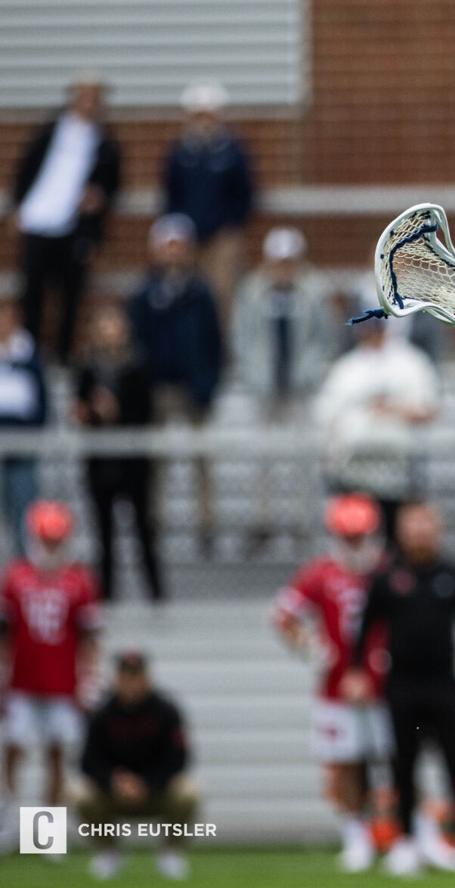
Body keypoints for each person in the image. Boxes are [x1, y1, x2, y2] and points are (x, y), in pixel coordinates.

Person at [345, 501, 455, 877]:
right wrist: (357, 671)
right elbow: (365, 629)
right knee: (403, 764)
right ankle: (405, 841)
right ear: (400, 532)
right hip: (402, 686)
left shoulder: (454, 575)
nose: (420, 532)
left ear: (437, 530)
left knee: (453, 761)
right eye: (413, 525)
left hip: (444, 684)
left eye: (426, 525)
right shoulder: (387, 578)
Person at [272, 494, 390, 873]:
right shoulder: (319, 573)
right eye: (347, 537)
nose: (354, 545)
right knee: (344, 763)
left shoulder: (388, 571)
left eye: (360, 536)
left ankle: (398, 831)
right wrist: (312, 649)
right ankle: (356, 835)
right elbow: (283, 615)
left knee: (394, 760)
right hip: (337, 689)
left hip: (387, 687)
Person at [0, 502, 100, 843]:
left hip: (62, 684)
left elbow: (89, 637)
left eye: (56, 540)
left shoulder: (80, 581)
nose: (51, 547)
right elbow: (4, 633)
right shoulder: (15, 577)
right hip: (22, 682)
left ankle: (44, 836)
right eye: (47, 539)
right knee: (13, 751)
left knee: (56, 755)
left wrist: (89, 678)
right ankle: (7, 823)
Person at [233, 226, 336, 551]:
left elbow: (325, 336)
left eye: (289, 261)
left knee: (303, 458)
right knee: (263, 459)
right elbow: (242, 337)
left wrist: (311, 371)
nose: (283, 268)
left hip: (299, 388)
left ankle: (302, 521)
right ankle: (263, 520)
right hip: (265, 388)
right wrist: (253, 374)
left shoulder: (314, 292)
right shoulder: (253, 292)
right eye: (278, 262)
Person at [127, 214, 223, 556]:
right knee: (156, 461)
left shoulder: (200, 292)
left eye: (178, 246)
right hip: (160, 387)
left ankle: (206, 524)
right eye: (167, 246)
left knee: (202, 459)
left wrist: (208, 382)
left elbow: (214, 341)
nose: (173, 252)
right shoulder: (145, 294)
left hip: (194, 386)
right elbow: (136, 341)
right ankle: (153, 521)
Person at [9, 73, 121, 364]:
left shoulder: (105, 143)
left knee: (70, 294)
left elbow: (111, 188)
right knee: (32, 292)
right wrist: (18, 206)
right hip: (38, 222)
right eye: (84, 96)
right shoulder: (50, 131)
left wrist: (98, 201)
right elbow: (25, 169)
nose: (88, 103)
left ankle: (62, 355)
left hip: (74, 228)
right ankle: (30, 354)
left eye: (93, 97)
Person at [313, 305, 437, 537]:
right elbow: (326, 414)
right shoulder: (347, 367)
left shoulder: (410, 362)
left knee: (393, 532)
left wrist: (391, 410)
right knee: (357, 529)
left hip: (398, 469)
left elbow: (428, 410)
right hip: (354, 470)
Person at [77, 650, 197, 881]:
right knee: (79, 793)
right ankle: (106, 852)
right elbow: (88, 761)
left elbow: (178, 759)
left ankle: (171, 853)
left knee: (188, 793)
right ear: (117, 678)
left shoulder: (166, 710)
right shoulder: (101, 712)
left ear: (147, 678)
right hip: (114, 791)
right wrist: (114, 781)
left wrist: (147, 783)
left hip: (155, 790)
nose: (132, 682)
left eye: (137, 675)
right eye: (126, 676)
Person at [74, 305, 163, 603]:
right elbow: (81, 409)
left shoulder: (138, 366)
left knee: (144, 532)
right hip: (100, 463)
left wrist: (117, 411)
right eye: (104, 325)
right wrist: (89, 413)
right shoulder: (88, 369)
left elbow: (146, 413)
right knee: (104, 536)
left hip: (133, 464)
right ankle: (107, 596)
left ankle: (156, 595)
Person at [163, 81, 255, 319]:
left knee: (222, 294)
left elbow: (245, 192)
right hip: (188, 238)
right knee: (187, 293)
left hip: (223, 237)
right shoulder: (181, 153)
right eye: (199, 116)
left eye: (208, 116)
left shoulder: (232, 151)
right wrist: (179, 228)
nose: (204, 122)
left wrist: (230, 224)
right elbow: (171, 192)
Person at [0, 299, 48, 555]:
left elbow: (42, 401)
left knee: (24, 512)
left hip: (22, 443)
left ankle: (24, 567)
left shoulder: (29, 354)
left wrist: (32, 434)